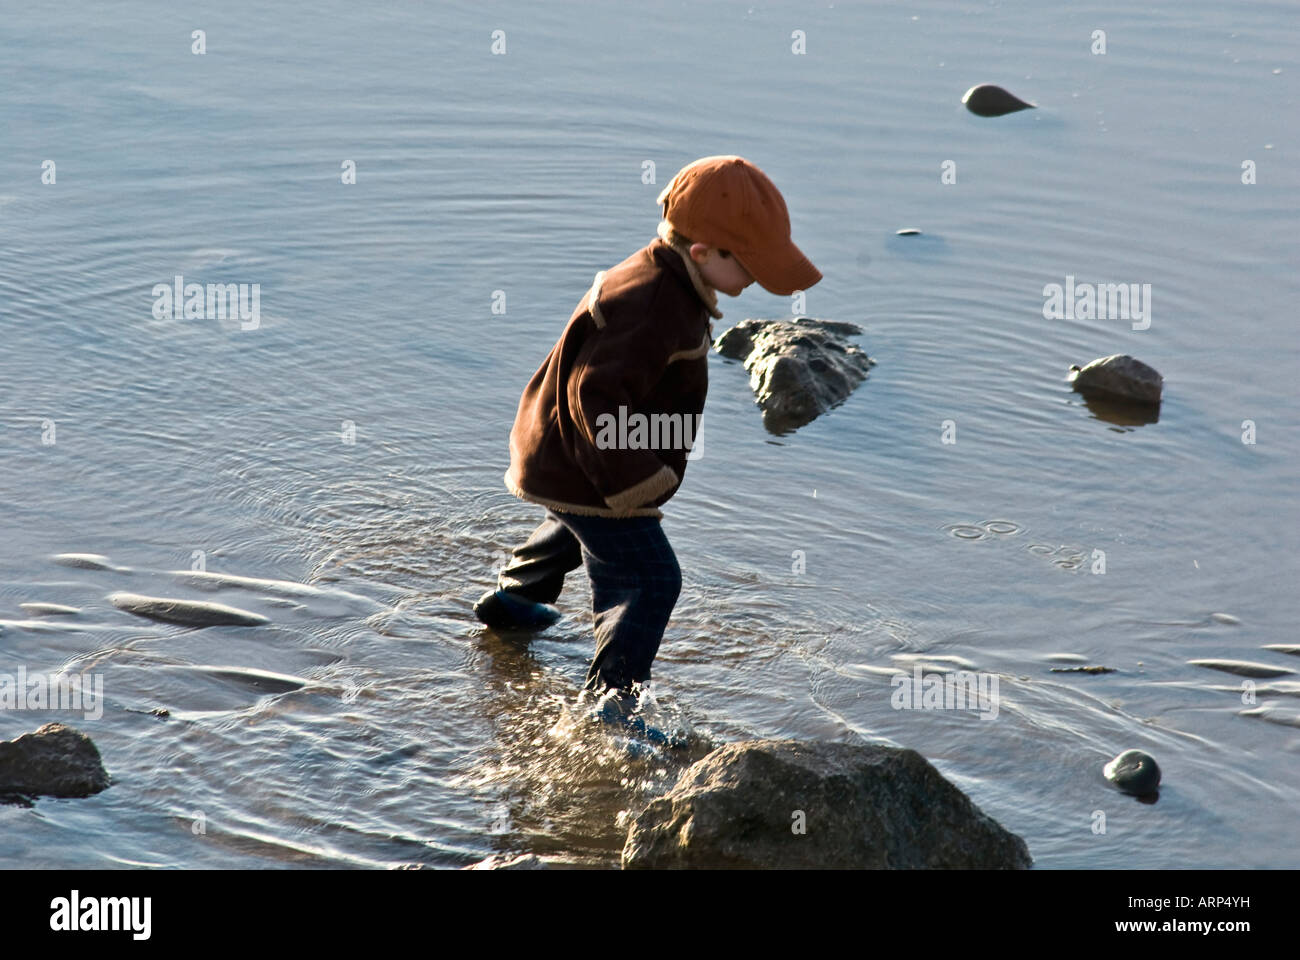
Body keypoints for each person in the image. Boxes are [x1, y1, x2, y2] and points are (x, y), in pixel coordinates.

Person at [474, 155, 822, 741]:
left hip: (562, 451)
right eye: (752, 267)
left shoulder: (667, 278)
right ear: (705, 252)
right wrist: (633, 484)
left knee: (574, 527)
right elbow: (596, 395)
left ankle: (512, 601)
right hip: (592, 461)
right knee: (651, 577)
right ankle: (611, 705)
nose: (758, 283)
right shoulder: (656, 305)